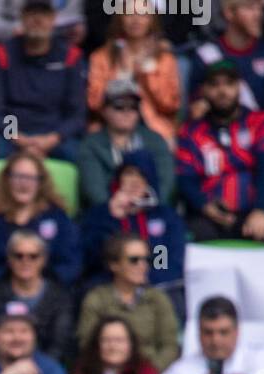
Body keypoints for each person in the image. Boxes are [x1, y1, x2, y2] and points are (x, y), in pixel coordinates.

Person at [176, 59, 264, 242]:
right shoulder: (190, 131)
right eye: (215, 85)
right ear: (203, 90)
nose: (223, 91)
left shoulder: (262, 122)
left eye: (229, 84)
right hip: (207, 216)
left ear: (239, 87)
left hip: (253, 211)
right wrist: (204, 206)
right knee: (186, 235)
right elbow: (185, 178)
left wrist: (261, 209)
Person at [0, 1, 85, 164]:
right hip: (13, 132)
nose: (37, 20)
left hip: (53, 133)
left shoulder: (70, 56)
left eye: (43, 15)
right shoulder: (1, 55)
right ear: (22, 18)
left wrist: (53, 138)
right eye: (31, 14)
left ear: (53, 19)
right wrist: (18, 138)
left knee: (82, 155)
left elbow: (76, 114)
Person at [76, 155, 185, 304]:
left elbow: (166, 259)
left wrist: (145, 280)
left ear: (150, 181)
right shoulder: (100, 214)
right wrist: (113, 217)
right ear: (119, 179)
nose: (135, 180)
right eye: (129, 173)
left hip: (155, 286)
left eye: (142, 175)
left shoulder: (164, 216)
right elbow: (93, 258)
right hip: (111, 284)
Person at [0, 150, 80, 286]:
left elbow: (70, 263)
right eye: (17, 176)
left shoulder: (57, 216)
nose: (24, 184)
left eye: (31, 178)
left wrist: (40, 288)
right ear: (7, 180)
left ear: (40, 182)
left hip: (49, 294)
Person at [76, 233, 179, 372]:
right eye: (134, 260)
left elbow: (170, 346)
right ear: (114, 265)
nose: (143, 265)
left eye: (146, 260)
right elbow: (87, 344)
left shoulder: (158, 299)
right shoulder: (96, 299)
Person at [76, 79, 175, 213]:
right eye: (119, 106)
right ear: (104, 111)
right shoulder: (91, 145)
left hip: (150, 212)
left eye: (133, 107)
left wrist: (148, 208)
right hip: (109, 215)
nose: (127, 112)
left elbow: (166, 183)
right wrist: (119, 210)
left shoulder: (155, 140)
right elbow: (95, 191)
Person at [84, 9, 179, 148]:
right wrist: (123, 73)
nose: (136, 19)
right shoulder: (100, 57)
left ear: (152, 20)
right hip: (108, 124)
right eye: (129, 13)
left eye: (143, 14)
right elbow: (94, 103)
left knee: (165, 144)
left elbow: (170, 105)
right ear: (119, 19)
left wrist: (146, 75)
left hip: (152, 125)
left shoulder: (165, 59)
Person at [0, 229, 74, 361]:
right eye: (18, 255)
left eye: (33, 256)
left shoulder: (60, 298)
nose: (25, 261)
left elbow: (59, 344)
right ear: (9, 259)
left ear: (43, 259)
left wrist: (38, 368)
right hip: (0, 368)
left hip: (44, 371)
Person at [189, 0, 264, 127]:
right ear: (229, 13)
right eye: (250, 8)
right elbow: (197, 108)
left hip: (262, 136)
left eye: (259, 9)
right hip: (221, 138)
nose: (258, 15)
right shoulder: (205, 55)